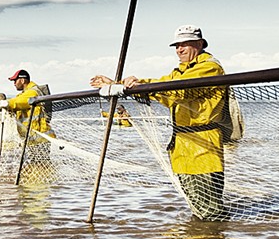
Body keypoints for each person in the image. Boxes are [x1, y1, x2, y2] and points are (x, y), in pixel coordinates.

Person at [90, 24, 228, 219]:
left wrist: (140, 86)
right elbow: (164, 89)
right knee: (197, 208)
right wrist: (117, 84)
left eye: (185, 44)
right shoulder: (180, 71)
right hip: (182, 147)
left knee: (210, 210)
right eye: (177, 46)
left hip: (203, 147)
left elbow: (179, 91)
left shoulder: (209, 67)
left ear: (199, 44)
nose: (179, 50)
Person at [4, 70, 55, 140]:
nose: (14, 83)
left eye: (15, 80)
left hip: (39, 140)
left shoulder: (32, 93)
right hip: (32, 139)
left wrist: (1, 104)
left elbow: (15, 103)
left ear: (22, 80)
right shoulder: (24, 94)